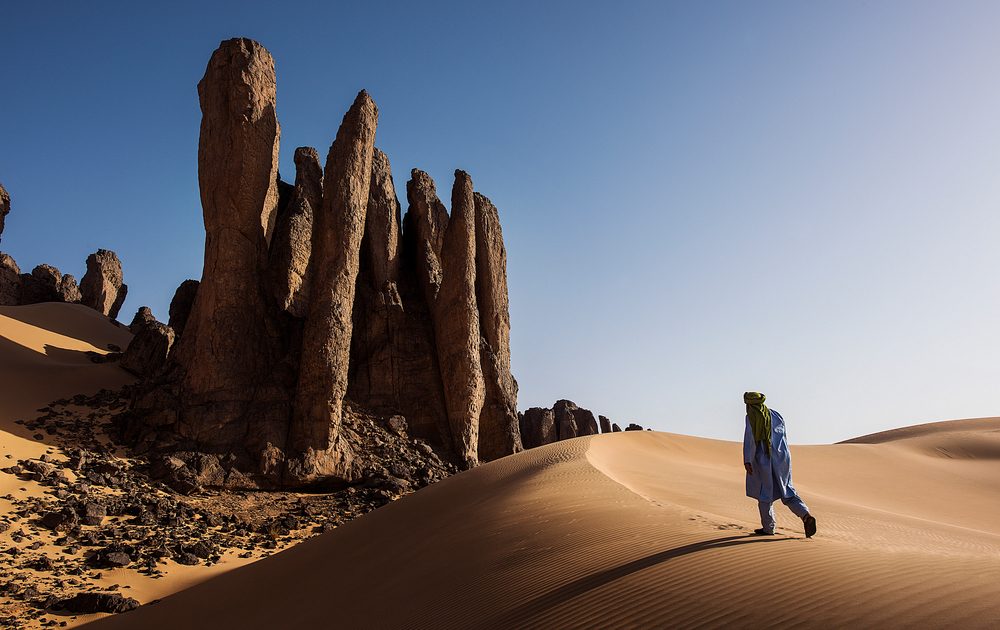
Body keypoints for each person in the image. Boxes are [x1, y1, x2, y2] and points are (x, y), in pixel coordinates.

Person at [742, 392, 817, 537]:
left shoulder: (751, 417)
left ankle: (768, 528)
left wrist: (748, 460)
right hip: (782, 458)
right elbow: (784, 437)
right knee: (787, 491)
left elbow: (750, 440)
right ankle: (805, 515)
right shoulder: (776, 415)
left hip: (764, 458)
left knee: (764, 494)